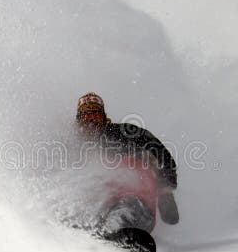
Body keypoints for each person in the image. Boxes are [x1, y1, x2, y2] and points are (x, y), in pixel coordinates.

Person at [75, 92, 179, 239]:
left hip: (134, 199)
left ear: (104, 118)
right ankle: (83, 235)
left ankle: (116, 230)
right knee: (79, 212)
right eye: (87, 119)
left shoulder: (124, 133)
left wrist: (166, 185)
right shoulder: (74, 146)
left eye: (96, 117)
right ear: (78, 123)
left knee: (124, 211)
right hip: (98, 203)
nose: (91, 124)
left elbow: (158, 149)